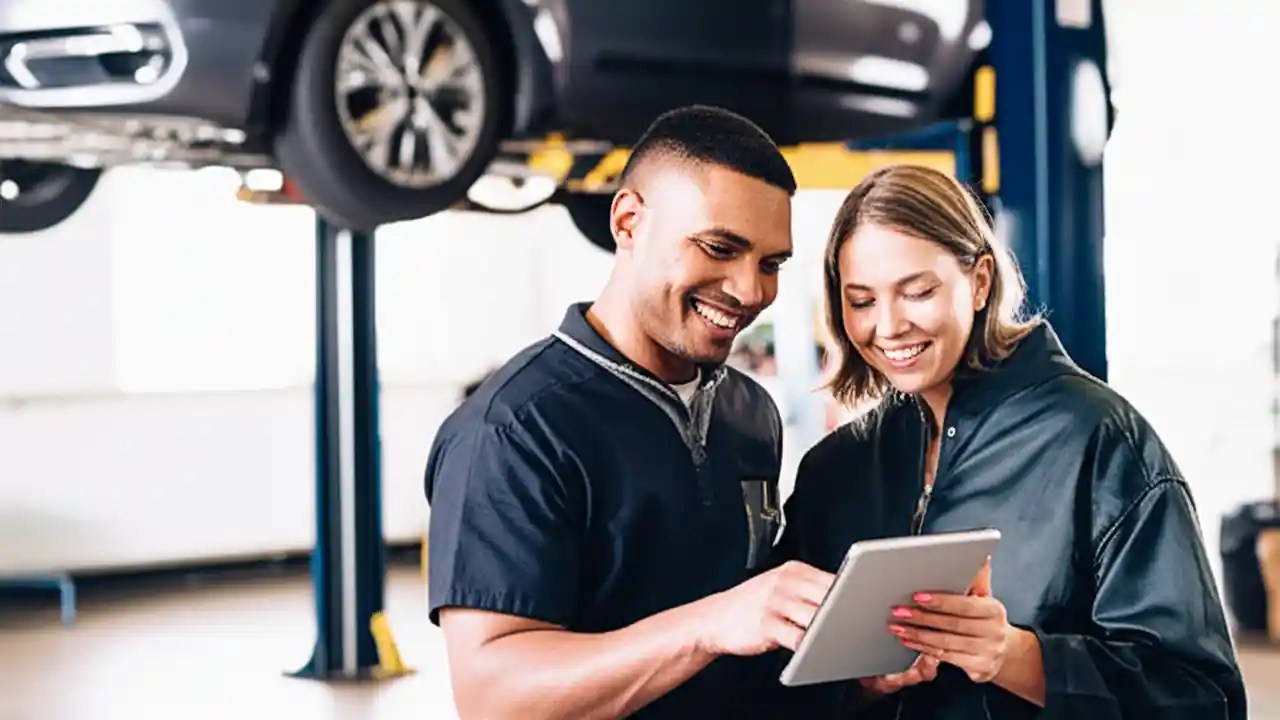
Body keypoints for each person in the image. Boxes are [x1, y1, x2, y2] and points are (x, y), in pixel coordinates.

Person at [769, 164, 1247, 718]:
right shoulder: (837, 467)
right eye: (861, 301)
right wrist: (863, 686)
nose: (890, 325)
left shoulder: (1100, 440)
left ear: (979, 282)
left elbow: (1203, 698)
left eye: (917, 291)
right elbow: (781, 685)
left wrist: (1017, 656)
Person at [423, 105, 835, 719]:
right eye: (719, 247)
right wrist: (712, 622)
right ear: (629, 221)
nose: (750, 291)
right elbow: (493, 699)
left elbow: (745, 651)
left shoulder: (750, 413)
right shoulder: (514, 431)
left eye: (771, 264)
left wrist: (850, 670)